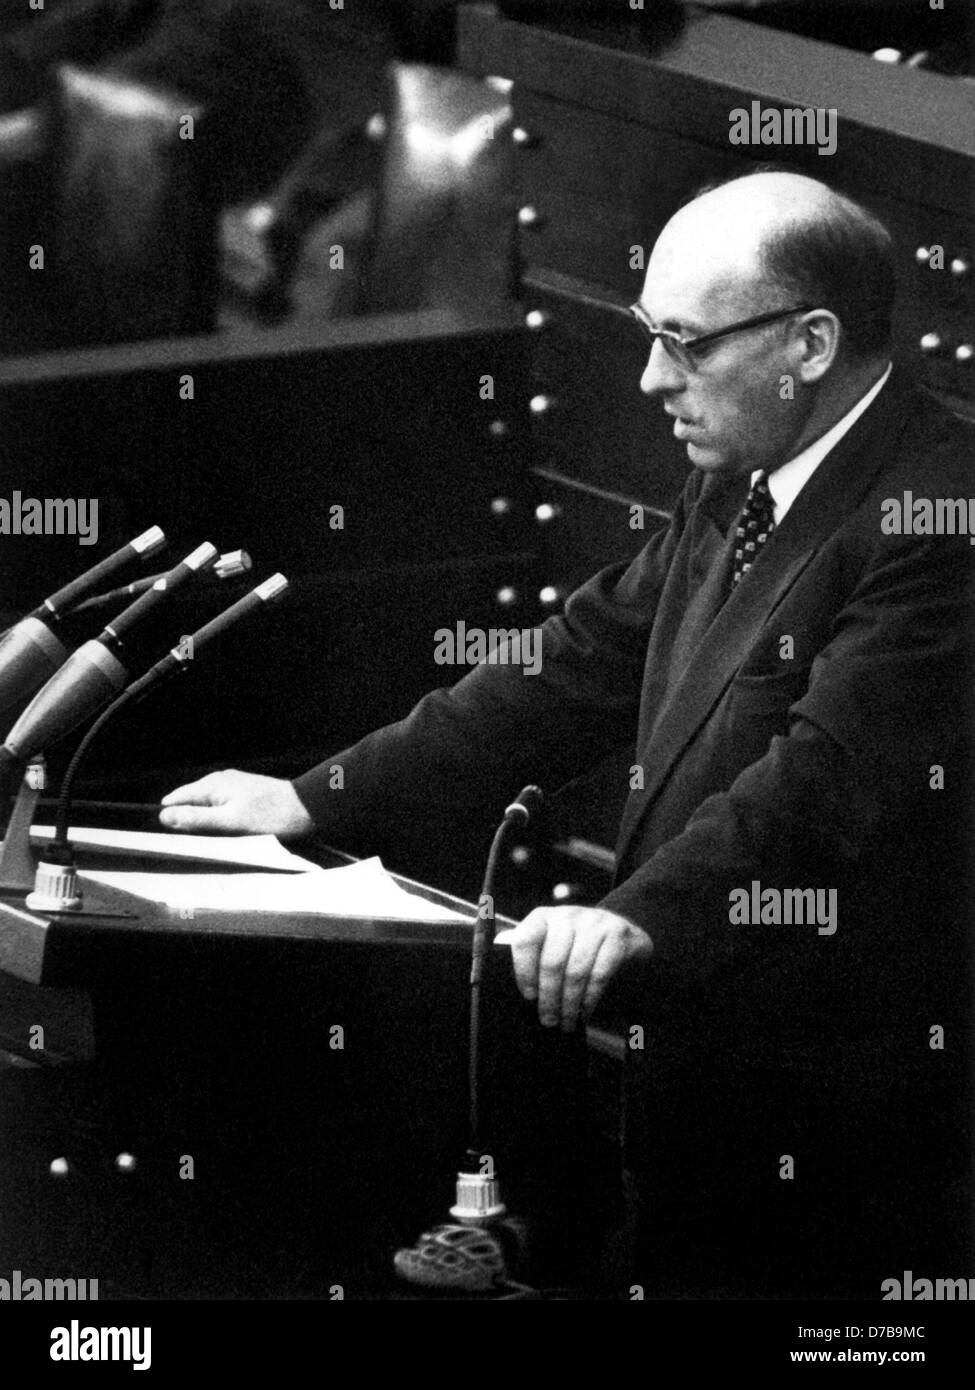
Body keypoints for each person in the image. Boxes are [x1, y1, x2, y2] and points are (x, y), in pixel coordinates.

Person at [160, 170, 975, 1298]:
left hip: (836, 1131)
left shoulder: (937, 519)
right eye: (649, 337)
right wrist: (321, 794)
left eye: (684, 345)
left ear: (812, 343)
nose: (652, 380)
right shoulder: (750, 472)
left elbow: (825, 781)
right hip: (698, 1086)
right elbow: (576, 663)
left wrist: (635, 921)